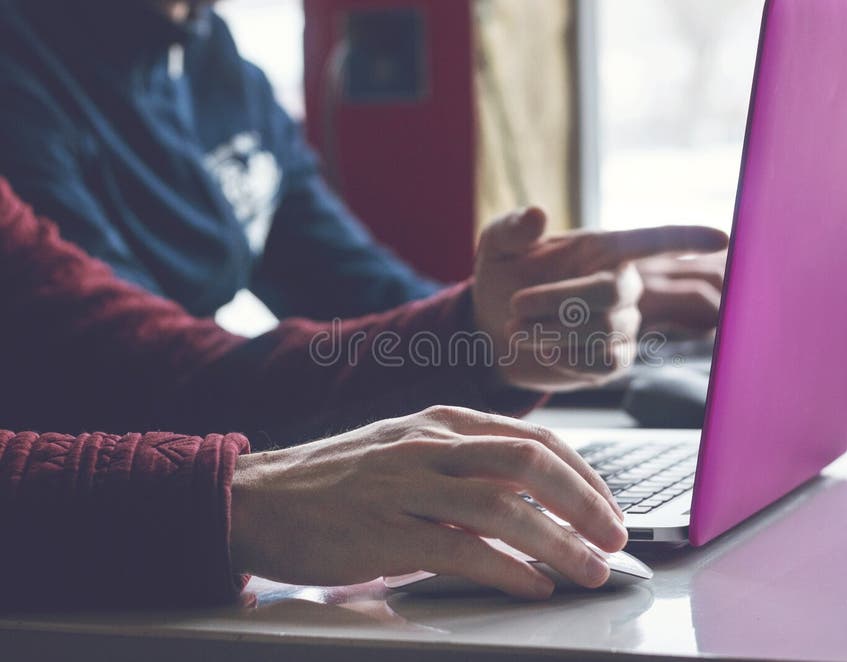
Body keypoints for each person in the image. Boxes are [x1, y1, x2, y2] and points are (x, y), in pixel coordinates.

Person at [0, 176, 725, 608]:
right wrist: (232, 499)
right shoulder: (26, 70)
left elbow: (166, 370)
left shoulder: (220, 66)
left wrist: (481, 332)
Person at [0, 0, 724, 334]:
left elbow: (361, 291)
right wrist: (479, 340)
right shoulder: (23, 75)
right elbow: (140, 364)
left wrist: (543, 307)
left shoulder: (217, 64)